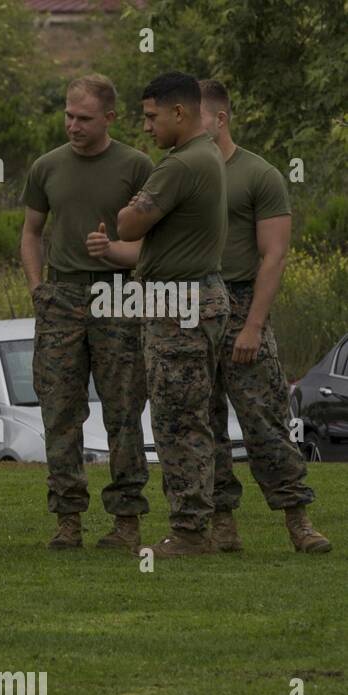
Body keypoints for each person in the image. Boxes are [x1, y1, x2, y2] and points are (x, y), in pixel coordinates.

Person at [20, 73, 154, 551]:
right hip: (61, 297)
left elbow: (152, 242)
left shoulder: (137, 166)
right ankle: (68, 518)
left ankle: (126, 520)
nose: (73, 125)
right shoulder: (47, 167)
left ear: (110, 119)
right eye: (68, 115)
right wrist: (38, 288)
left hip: (118, 297)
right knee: (59, 411)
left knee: (122, 411)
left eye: (84, 118)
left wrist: (116, 248)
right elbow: (31, 232)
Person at [198, 79, 330, 553]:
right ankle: (221, 523)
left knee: (265, 420)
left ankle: (298, 520)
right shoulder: (180, 172)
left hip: (238, 304)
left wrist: (253, 324)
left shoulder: (258, 174)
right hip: (190, 306)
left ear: (220, 118)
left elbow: (273, 256)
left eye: (196, 118)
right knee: (202, 423)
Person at [115, 72, 229, 558]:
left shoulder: (182, 164)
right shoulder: (204, 157)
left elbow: (128, 223)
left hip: (180, 305)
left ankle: (189, 531)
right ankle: (197, 523)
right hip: (185, 301)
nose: (146, 127)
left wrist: (130, 209)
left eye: (151, 116)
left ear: (178, 113)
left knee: (178, 420)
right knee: (188, 416)